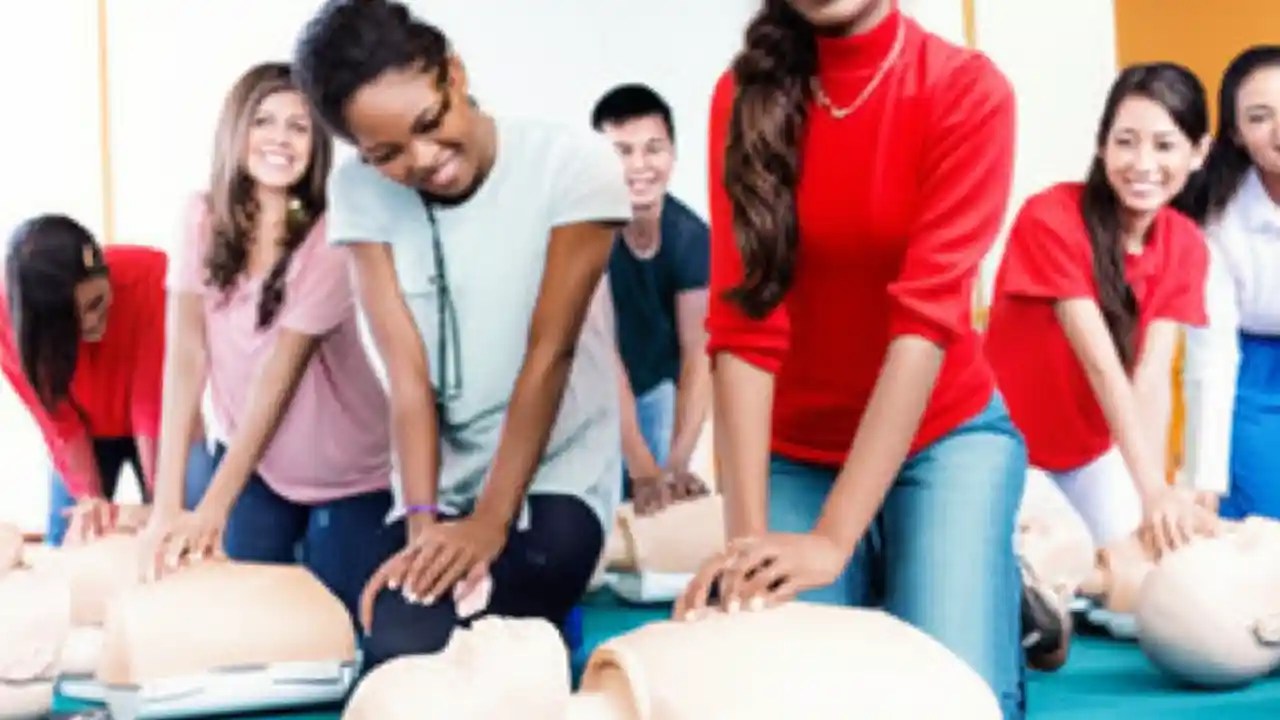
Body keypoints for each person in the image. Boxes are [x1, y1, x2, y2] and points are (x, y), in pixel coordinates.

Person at [673, 1, 1025, 716]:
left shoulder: (967, 91)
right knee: (789, 685)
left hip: (943, 437)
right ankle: (903, 571)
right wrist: (748, 546)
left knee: (954, 697)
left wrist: (832, 541)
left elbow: (923, 325)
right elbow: (743, 324)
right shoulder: (742, 95)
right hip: (798, 451)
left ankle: (984, 583)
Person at [291, 0, 631, 671]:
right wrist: (423, 525)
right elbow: (407, 377)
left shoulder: (573, 164)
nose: (424, 160)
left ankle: (548, 640)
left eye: (430, 123)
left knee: (471, 633)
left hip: (555, 476)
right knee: (400, 643)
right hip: (440, 483)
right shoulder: (359, 191)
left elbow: (549, 354)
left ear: (454, 71)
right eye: (386, 152)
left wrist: (489, 524)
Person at [139, 62, 400, 628]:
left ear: (318, 145)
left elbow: (275, 387)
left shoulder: (332, 238)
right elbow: (186, 360)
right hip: (260, 469)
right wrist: (167, 506)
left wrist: (212, 509)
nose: (280, 138)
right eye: (265, 121)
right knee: (245, 624)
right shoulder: (199, 217)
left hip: (350, 473)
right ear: (237, 131)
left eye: (300, 127)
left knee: (333, 627)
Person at [985, 63, 1215, 554]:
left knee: (1151, 564)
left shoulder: (1186, 244)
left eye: (1164, 144)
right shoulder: (1050, 217)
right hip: (1000, 446)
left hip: (1086, 455)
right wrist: (1152, 491)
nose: (1142, 162)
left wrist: (1152, 492)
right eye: (1125, 140)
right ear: (1102, 145)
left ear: (1199, 153)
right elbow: (1102, 366)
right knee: (1059, 562)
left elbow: (1152, 378)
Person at [0, 216, 214, 546]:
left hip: (163, 420)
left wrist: (165, 514)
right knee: (70, 539)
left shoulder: (152, 276)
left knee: (192, 532)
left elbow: (153, 404)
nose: (93, 321)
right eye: (75, 317)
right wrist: (91, 500)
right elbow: (58, 422)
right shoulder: (10, 322)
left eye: (99, 302)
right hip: (82, 428)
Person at [589, 84, 712, 504]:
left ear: (673, 154)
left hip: (658, 384)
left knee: (660, 497)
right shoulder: (588, 235)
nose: (639, 166)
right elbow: (605, 356)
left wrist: (675, 466)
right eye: (622, 152)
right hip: (590, 386)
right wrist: (641, 468)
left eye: (653, 149)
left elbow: (698, 354)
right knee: (609, 495)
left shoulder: (691, 238)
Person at [1183, 45, 1280, 521]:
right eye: (1260, 117)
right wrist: (1203, 477)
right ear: (1238, 134)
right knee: (1265, 526)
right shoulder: (1218, 225)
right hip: (1254, 377)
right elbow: (1211, 355)